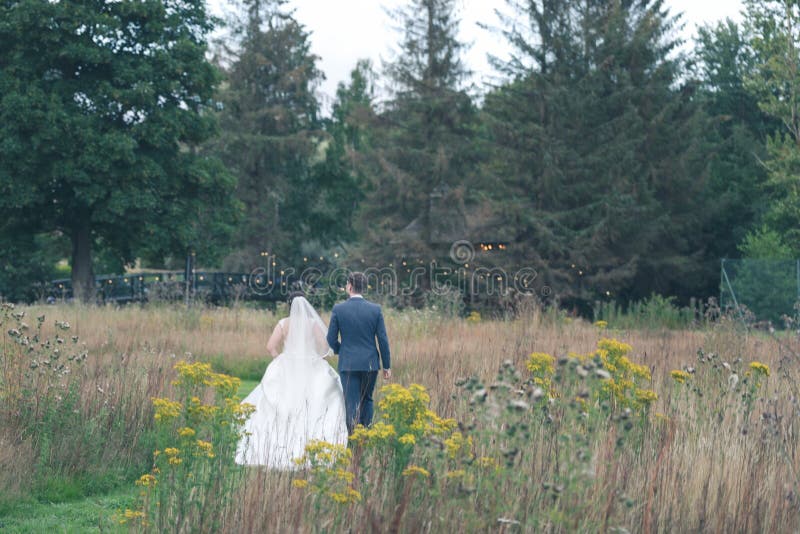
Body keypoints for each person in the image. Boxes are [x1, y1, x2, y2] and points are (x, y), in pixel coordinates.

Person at [235, 293, 347, 468]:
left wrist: (279, 359)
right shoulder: (312, 323)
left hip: (288, 363)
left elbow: (270, 346)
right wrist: (319, 357)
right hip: (310, 364)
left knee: (284, 400)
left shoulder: (283, 323)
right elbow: (325, 346)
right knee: (313, 399)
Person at [327, 272, 391, 434]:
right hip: (370, 363)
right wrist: (387, 366)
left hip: (348, 362)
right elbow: (382, 340)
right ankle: (367, 435)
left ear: (349, 286)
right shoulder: (375, 310)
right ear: (364, 288)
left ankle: (353, 438)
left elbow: (330, 339)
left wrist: (341, 350)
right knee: (367, 400)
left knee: (351, 402)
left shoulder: (339, 309)